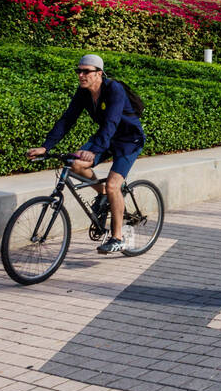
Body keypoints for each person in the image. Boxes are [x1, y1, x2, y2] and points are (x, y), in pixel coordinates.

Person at [27, 55, 146, 254]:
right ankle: (105, 195)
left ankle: (117, 237)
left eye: (86, 71)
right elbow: (67, 119)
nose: (81, 75)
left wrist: (95, 150)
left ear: (99, 73)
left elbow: (111, 123)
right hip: (106, 137)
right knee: (74, 164)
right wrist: (46, 147)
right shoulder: (83, 93)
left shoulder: (113, 89)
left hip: (128, 140)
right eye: (79, 71)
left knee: (113, 184)